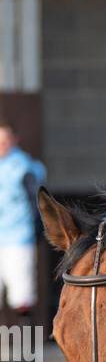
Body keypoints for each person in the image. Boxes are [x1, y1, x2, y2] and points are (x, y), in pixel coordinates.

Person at [0, 121, 46, 316]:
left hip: (17, 237)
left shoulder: (23, 167)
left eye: (5, 140)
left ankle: (24, 340)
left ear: (14, 140)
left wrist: (38, 230)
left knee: (21, 294)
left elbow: (35, 201)